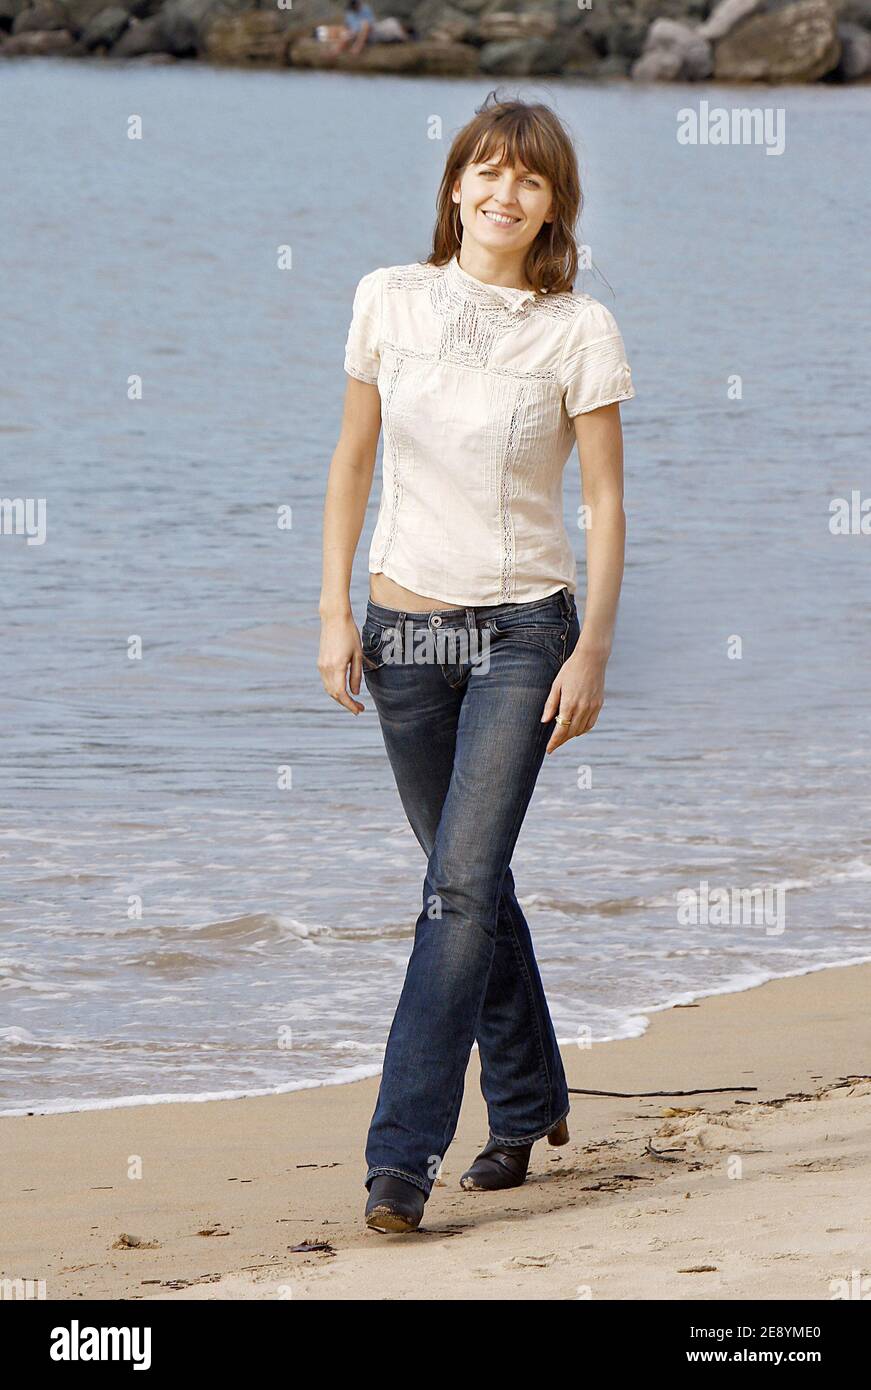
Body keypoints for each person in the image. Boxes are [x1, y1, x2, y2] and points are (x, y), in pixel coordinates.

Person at [318, 92, 636, 1233]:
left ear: (553, 207)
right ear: (456, 182)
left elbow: (602, 497)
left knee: (452, 891)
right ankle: (529, 1095)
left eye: (531, 181)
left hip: (521, 634)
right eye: (488, 172)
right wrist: (332, 610)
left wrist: (592, 647)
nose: (506, 194)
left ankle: (398, 1163)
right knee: (474, 882)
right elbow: (353, 458)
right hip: (404, 633)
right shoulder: (386, 300)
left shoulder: (577, 327)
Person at [326, 0, 410, 56]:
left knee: (365, 26)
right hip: (356, 34)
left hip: (368, 34)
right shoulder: (350, 13)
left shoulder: (365, 9)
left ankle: (357, 48)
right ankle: (334, 52)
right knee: (347, 34)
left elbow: (369, 26)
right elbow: (348, 26)